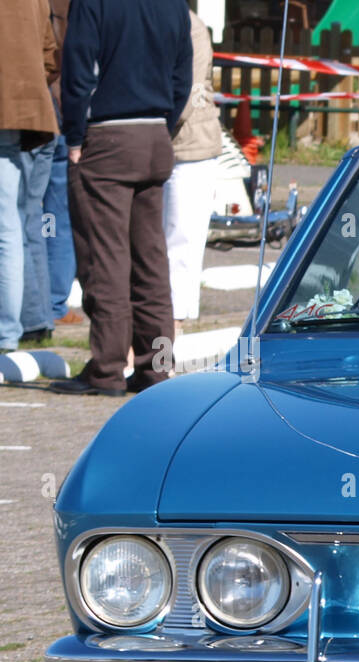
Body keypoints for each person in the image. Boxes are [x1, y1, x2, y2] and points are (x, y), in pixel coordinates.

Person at [53, 0, 191, 397]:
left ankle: (107, 369)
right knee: (151, 261)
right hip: (154, 135)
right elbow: (183, 75)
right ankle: (157, 367)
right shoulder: (174, 5)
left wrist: (75, 134)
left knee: (105, 257)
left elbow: (79, 68)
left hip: (107, 136)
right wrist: (163, 122)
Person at [0, 0, 58, 355]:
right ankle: (10, 330)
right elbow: (50, 55)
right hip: (21, 113)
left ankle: (8, 331)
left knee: (11, 226)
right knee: (13, 225)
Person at [164, 9, 222, 337]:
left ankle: (174, 325)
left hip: (192, 149)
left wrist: (154, 128)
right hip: (163, 144)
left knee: (182, 241)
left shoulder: (191, 27)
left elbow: (188, 92)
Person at [43, 0, 79, 327]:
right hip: (61, 112)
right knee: (55, 218)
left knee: (35, 219)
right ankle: (53, 302)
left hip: (42, 112)